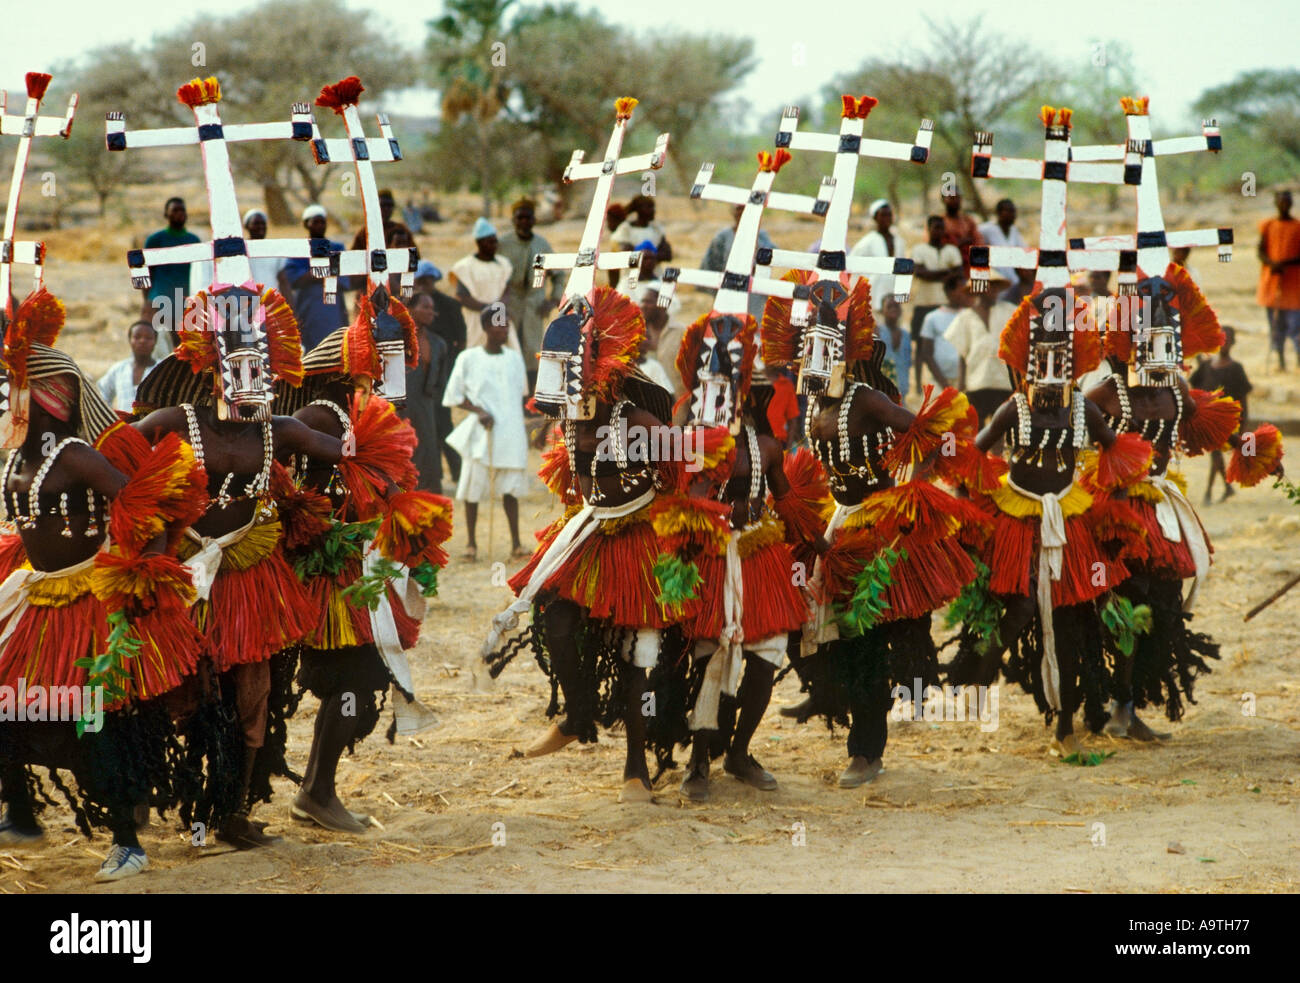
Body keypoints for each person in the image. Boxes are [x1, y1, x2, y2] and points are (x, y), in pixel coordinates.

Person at [134, 285, 349, 849]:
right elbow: (116, 456)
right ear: (213, 370)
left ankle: (231, 810)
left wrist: (369, 407)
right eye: (240, 367)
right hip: (184, 574)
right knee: (173, 686)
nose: (252, 381)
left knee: (253, 689)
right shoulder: (175, 421)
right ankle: (142, 795)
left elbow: (344, 452)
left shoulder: (277, 430)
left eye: (262, 368)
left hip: (251, 578)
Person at [0, 292, 205, 883]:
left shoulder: (77, 456)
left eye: (9, 389)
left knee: (94, 719)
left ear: (45, 397)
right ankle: (21, 812)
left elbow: (156, 505)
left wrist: (148, 571)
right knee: (12, 705)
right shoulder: (14, 455)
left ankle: (126, 842)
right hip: (37, 596)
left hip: (91, 603)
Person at [762, 273, 990, 787]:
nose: (808, 361)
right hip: (838, 525)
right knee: (824, 633)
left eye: (821, 350)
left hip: (879, 526)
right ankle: (844, 706)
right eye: (804, 351)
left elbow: (929, 432)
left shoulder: (865, 399)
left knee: (867, 635)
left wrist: (917, 487)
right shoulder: (813, 403)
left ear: (841, 350)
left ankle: (866, 752)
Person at [481, 287, 675, 804]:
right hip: (587, 531)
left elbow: (681, 469)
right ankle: (578, 714)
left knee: (638, 649)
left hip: (638, 536)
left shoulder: (638, 420)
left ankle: (637, 767)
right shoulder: (569, 418)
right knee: (555, 619)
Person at [273, 285, 453, 832]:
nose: (385, 379)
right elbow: (274, 471)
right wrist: (308, 519)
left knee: (362, 677)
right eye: (379, 365)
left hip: (360, 570)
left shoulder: (360, 414)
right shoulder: (322, 416)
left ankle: (315, 790)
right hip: (330, 575)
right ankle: (317, 791)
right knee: (353, 679)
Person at [946, 287, 1153, 757]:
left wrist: (1115, 510)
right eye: (1043, 364)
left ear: (1073, 366)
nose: (1051, 373)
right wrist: (969, 515)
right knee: (1019, 608)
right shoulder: (1012, 409)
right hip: (1017, 518)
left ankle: (1070, 720)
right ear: (1027, 365)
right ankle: (981, 667)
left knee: (1077, 616)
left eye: (1061, 363)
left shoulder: (1083, 408)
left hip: (1071, 516)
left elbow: (1116, 453)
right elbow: (970, 458)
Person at [1089, 270, 1281, 740]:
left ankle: (1127, 702)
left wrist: (1256, 454)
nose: (1163, 349)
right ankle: (1115, 703)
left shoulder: (1176, 391)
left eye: (1169, 340)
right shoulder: (1110, 394)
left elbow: (1218, 430)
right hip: (1114, 510)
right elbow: (1069, 427)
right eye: (1152, 339)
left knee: (1162, 604)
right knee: (1125, 603)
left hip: (1161, 510)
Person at [659, 311, 826, 801]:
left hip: (759, 554)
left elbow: (787, 499)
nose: (728, 400)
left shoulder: (768, 447)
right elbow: (679, 495)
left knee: (763, 661)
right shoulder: (686, 435)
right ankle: (697, 760)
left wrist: (818, 542)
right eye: (719, 389)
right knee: (709, 655)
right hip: (707, 557)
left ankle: (739, 751)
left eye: (735, 391)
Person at [443, 304, 529, 561]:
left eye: (506, 323)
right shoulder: (468, 358)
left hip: (511, 429)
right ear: (485, 327)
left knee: (510, 489)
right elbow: (454, 396)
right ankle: (471, 544)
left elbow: (520, 396)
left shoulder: (514, 358)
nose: (503, 328)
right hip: (483, 432)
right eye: (498, 323)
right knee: (472, 485)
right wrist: (478, 410)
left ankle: (516, 544)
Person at [498, 199, 563, 391]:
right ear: (514, 220)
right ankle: (513, 393)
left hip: (535, 303)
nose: (524, 222)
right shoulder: (503, 243)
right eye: (520, 218)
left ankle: (532, 398)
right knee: (510, 346)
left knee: (533, 350)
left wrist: (552, 300)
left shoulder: (542, 244)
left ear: (534, 220)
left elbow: (558, 275)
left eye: (528, 218)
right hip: (510, 302)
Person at [412, 260, 467, 484]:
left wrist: (446, 369)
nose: (425, 285)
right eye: (420, 281)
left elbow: (461, 340)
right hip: (414, 392)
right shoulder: (403, 326)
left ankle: (456, 475)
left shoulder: (449, 306)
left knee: (443, 430)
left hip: (439, 379)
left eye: (429, 281)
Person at [1189, 325, 1252, 502]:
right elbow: (1194, 388)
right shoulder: (1207, 366)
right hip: (1208, 419)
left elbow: (1244, 401)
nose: (1224, 344)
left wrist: (1243, 430)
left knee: (1215, 453)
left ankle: (1212, 491)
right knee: (1215, 453)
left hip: (1229, 421)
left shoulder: (1236, 369)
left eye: (1228, 340)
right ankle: (1223, 488)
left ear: (1233, 344)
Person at [945, 274, 1015, 425]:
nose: (994, 291)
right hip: (976, 382)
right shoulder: (965, 317)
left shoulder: (1009, 311)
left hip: (1004, 381)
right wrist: (961, 387)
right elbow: (963, 355)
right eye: (991, 286)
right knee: (976, 427)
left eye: (996, 287)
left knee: (1000, 428)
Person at [401, 290, 451, 493]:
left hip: (427, 409)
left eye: (432, 308)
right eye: (425, 307)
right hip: (401, 409)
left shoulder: (438, 343)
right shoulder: (396, 340)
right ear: (410, 310)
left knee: (428, 454)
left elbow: (440, 383)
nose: (431, 312)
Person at [283, 205, 349, 353]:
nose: (320, 225)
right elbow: (293, 278)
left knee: (335, 345)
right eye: (315, 222)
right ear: (306, 224)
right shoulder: (299, 249)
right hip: (308, 305)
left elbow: (344, 278)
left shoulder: (336, 247)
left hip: (333, 306)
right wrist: (326, 272)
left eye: (322, 222)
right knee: (311, 348)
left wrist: (314, 274)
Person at [140, 196, 201, 354]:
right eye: (175, 210)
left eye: (182, 210)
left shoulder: (194, 240)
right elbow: (146, 272)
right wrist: (148, 301)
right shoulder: (155, 240)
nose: (179, 214)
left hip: (185, 303)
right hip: (160, 302)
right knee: (161, 348)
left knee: (185, 349)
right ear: (166, 214)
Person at [449, 218, 520, 351]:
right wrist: (488, 309)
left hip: (500, 317)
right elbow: (462, 296)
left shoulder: (503, 264)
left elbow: (507, 291)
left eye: (495, 241)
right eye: (490, 242)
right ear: (479, 243)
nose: (494, 245)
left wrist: (497, 309)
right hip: (475, 320)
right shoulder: (464, 266)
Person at [909, 215, 962, 392]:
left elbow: (958, 273)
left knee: (943, 340)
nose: (938, 231)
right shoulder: (919, 249)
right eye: (934, 228)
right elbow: (920, 273)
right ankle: (917, 385)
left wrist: (933, 273)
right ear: (928, 229)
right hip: (923, 302)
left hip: (943, 304)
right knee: (920, 344)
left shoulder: (951, 250)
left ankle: (946, 378)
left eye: (941, 228)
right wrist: (946, 273)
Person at [192, 209, 289, 300]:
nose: (260, 227)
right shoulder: (206, 252)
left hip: (265, 301)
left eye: (263, 223)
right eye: (256, 223)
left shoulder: (271, 249)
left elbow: (283, 280)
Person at [702, 204, 776, 322]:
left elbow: (771, 259)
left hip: (755, 293)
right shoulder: (722, 237)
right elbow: (712, 264)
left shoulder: (762, 236)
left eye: (745, 210)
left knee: (753, 327)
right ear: (734, 213)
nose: (742, 213)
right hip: (729, 288)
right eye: (739, 210)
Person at [1257, 190, 1300, 370]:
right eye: (1281, 201)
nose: (1284, 204)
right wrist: (1271, 263)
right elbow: (1261, 250)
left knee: (1295, 327)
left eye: (1286, 201)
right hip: (1272, 284)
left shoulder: (1298, 227)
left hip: (1294, 286)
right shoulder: (1268, 225)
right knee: (1276, 326)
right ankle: (1280, 361)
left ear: (1291, 203)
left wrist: (1285, 264)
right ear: (1276, 203)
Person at [849, 199, 907, 310]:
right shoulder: (868, 242)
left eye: (889, 215)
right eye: (883, 215)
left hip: (893, 293)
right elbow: (853, 266)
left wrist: (901, 295)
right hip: (873, 295)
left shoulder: (899, 241)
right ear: (875, 218)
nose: (887, 218)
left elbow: (902, 271)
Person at [609, 195, 671, 288]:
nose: (653, 210)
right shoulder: (626, 229)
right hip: (631, 279)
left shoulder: (656, 229)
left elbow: (667, 254)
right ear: (639, 210)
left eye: (653, 207)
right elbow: (626, 253)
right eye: (649, 207)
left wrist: (642, 255)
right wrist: (653, 256)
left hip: (655, 277)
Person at [98, 320, 159, 414]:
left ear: (155, 341)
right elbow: (102, 394)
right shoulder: (118, 369)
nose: (142, 341)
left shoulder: (162, 368)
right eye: (137, 337)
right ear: (130, 340)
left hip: (154, 427)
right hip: (123, 426)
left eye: (148, 338)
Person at [918, 275, 965, 388]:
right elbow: (927, 354)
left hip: (964, 383)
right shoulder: (932, 317)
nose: (964, 293)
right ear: (949, 292)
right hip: (939, 383)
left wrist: (963, 382)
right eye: (961, 289)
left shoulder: (969, 316)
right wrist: (944, 384)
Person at [978, 198, 1025, 285]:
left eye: (1013, 211)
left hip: (1013, 279)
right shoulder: (986, 229)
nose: (1012, 215)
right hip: (994, 280)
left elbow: (1024, 252)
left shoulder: (1014, 231)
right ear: (999, 213)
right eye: (1009, 211)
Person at [940, 188, 985, 269]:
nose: (955, 201)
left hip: (969, 262)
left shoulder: (968, 221)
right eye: (951, 198)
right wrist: (963, 241)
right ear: (943, 200)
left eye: (958, 197)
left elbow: (978, 242)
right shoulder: (939, 222)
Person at [877, 296, 912, 400]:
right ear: (882, 311)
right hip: (881, 393)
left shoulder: (906, 335)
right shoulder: (877, 332)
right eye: (889, 306)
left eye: (896, 306)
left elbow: (908, 363)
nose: (893, 309)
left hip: (901, 392)